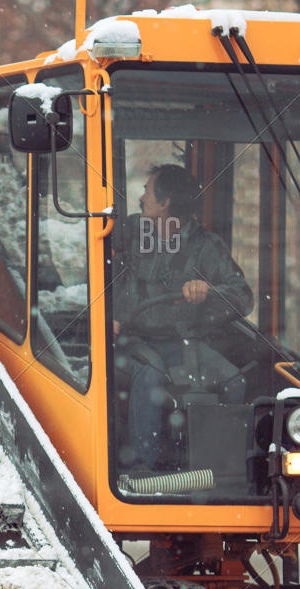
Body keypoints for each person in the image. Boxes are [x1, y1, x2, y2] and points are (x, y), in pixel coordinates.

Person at [114, 164, 253, 473]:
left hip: (185, 344)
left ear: (165, 203)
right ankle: (142, 471)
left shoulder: (207, 246)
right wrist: (107, 317)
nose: (141, 197)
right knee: (150, 377)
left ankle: (220, 473)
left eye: (147, 191)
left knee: (233, 382)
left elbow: (243, 297)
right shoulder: (129, 234)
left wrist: (209, 290)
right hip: (130, 340)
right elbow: (99, 275)